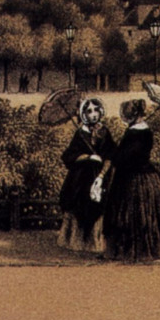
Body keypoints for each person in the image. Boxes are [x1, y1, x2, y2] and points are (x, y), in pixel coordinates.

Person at [101, 99, 160, 262]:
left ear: (132, 115)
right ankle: (143, 249)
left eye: (125, 116)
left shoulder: (135, 133)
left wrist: (107, 143)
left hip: (134, 180)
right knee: (144, 217)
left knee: (130, 215)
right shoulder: (144, 130)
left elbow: (122, 158)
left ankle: (132, 251)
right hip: (148, 178)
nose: (124, 118)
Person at [57, 98, 115, 254]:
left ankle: (97, 244)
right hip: (81, 178)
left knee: (101, 205)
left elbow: (111, 154)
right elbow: (69, 155)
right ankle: (77, 243)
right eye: (89, 111)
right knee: (79, 204)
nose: (93, 114)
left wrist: (102, 173)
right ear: (84, 114)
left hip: (101, 175)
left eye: (96, 110)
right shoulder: (80, 133)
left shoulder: (104, 131)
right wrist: (88, 157)